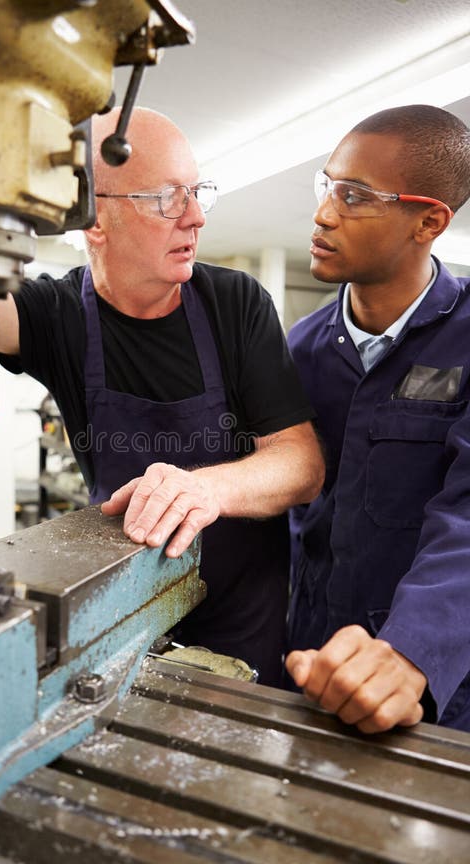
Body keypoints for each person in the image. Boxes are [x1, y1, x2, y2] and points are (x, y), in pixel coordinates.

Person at [0, 107, 324, 686]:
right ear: (94, 219)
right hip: (119, 619)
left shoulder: (236, 303)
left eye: (196, 192)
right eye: (167, 198)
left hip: (239, 630)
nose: (195, 216)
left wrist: (204, 488)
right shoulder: (58, 315)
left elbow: (301, 465)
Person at [285, 104, 470, 732]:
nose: (323, 213)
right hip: (313, 660)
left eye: (356, 195)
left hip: (433, 680)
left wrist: (412, 648)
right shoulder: (302, 349)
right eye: (327, 185)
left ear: (429, 221)